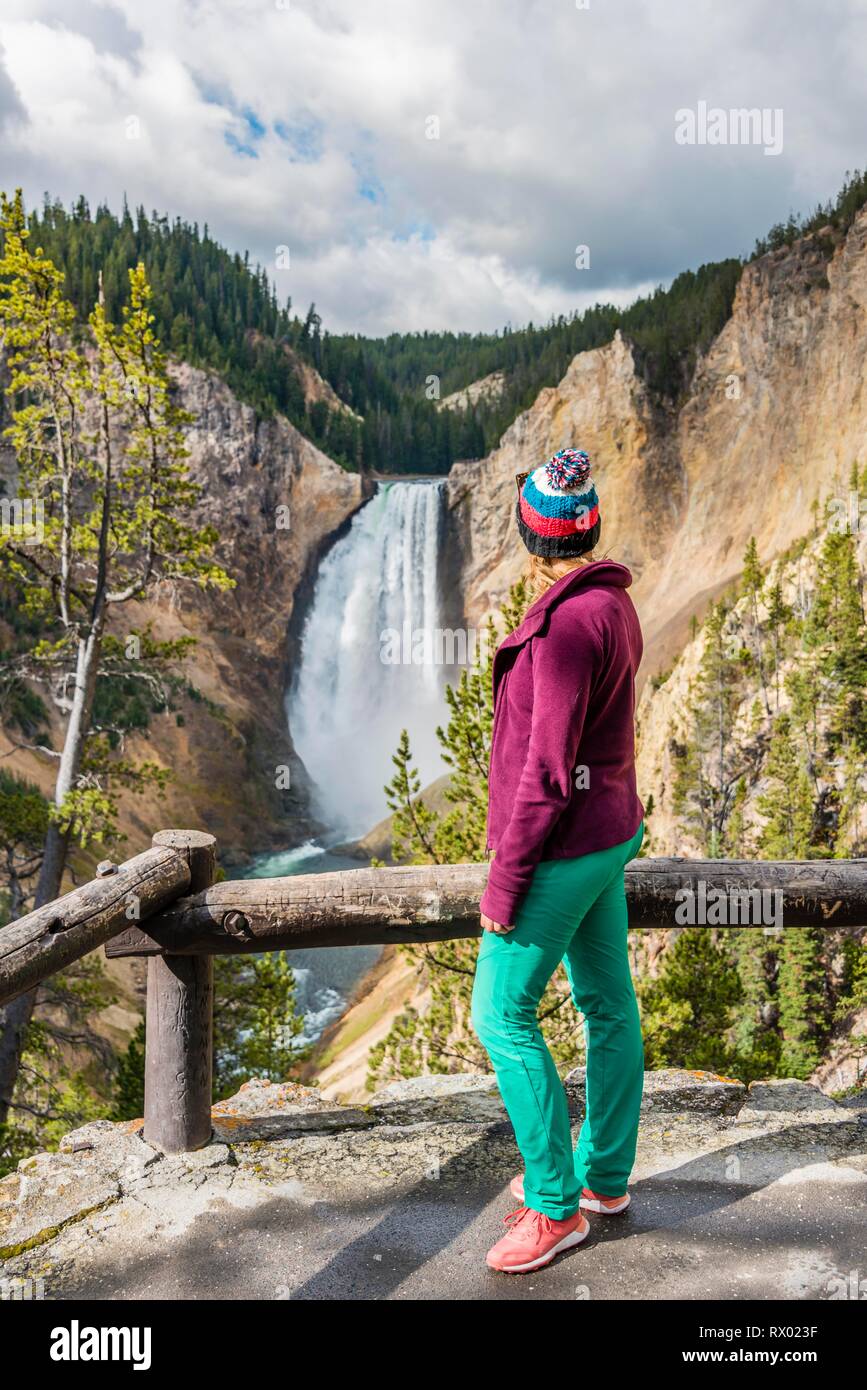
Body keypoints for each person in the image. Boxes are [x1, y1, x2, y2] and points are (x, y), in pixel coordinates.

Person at [471, 447, 645, 1275]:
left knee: (499, 1016)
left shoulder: (563, 630)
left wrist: (505, 880)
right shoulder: (611, 603)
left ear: (527, 536)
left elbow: (544, 773)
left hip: (563, 848)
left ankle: (553, 1207)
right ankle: (602, 1179)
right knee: (607, 1002)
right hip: (609, 831)